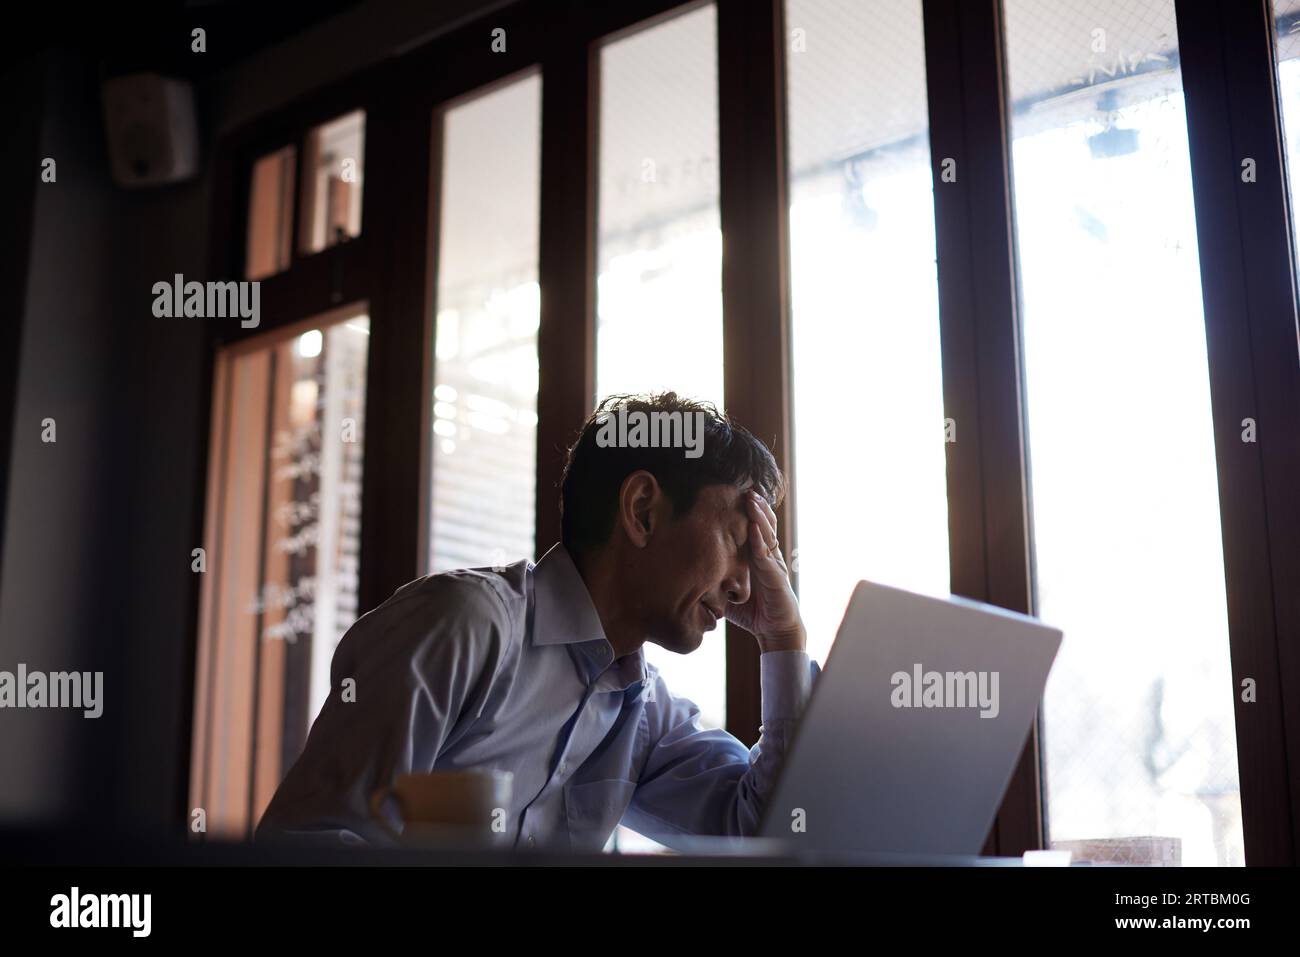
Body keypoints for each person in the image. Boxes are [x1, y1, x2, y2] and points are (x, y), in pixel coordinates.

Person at [255, 392, 819, 851]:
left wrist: (783, 640)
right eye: (740, 543)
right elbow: (314, 843)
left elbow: (762, 831)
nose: (746, 584)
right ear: (643, 509)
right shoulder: (463, 627)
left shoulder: (643, 713)